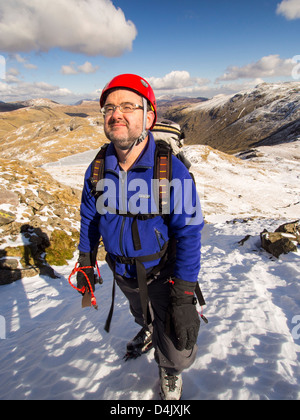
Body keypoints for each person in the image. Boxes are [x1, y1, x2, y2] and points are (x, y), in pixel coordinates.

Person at [76, 74, 205, 400]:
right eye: (109, 107)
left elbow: (189, 233)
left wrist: (183, 295)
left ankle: (169, 368)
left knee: (178, 347)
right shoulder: (97, 169)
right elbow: (89, 219)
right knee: (141, 314)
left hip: (164, 274)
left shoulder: (170, 170)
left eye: (128, 106)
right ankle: (148, 329)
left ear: (149, 117)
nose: (116, 113)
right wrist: (86, 262)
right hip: (123, 272)